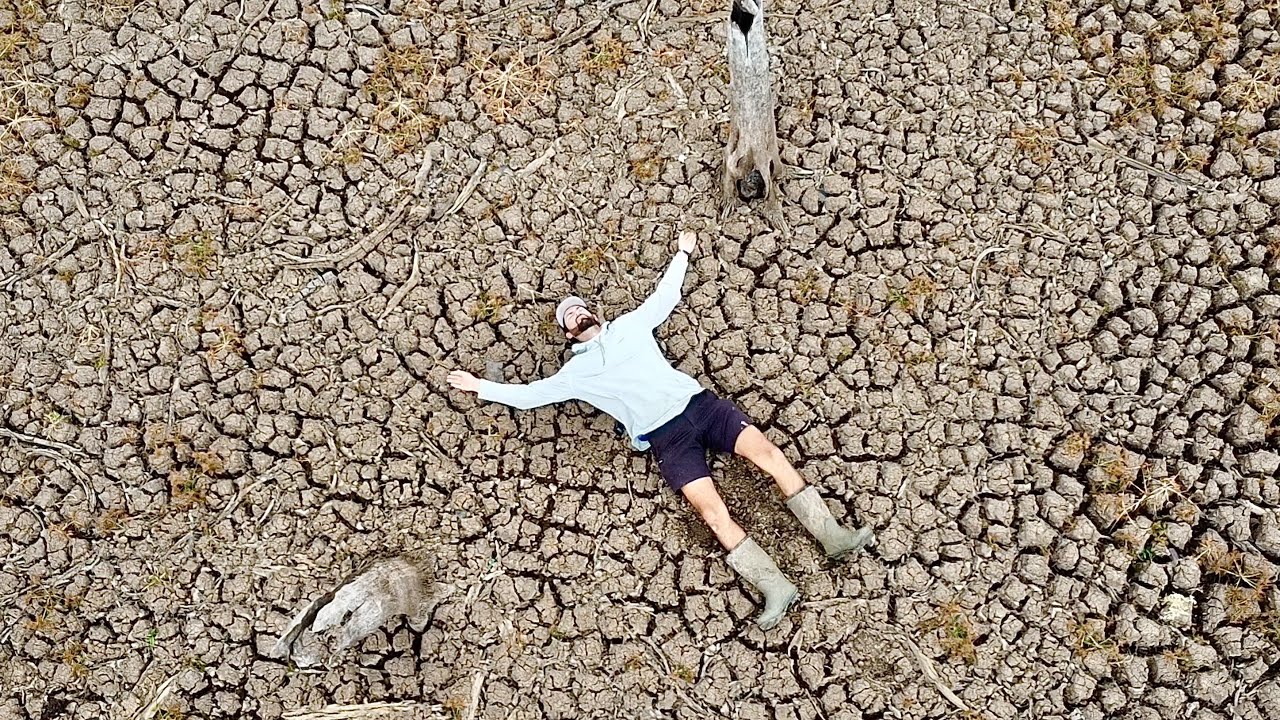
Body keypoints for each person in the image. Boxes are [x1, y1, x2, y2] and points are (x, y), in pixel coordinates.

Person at [447, 230, 873, 630]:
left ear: (594, 314)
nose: (576, 313)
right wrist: (480, 386)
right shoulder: (575, 372)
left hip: (703, 408)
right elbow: (530, 395)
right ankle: (775, 586)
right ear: (566, 333)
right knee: (712, 513)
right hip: (668, 438)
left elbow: (665, 296)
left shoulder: (630, 326)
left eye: (579, 307)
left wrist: (683, 252)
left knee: (770, 456)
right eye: (568, 316)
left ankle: (833, 537)